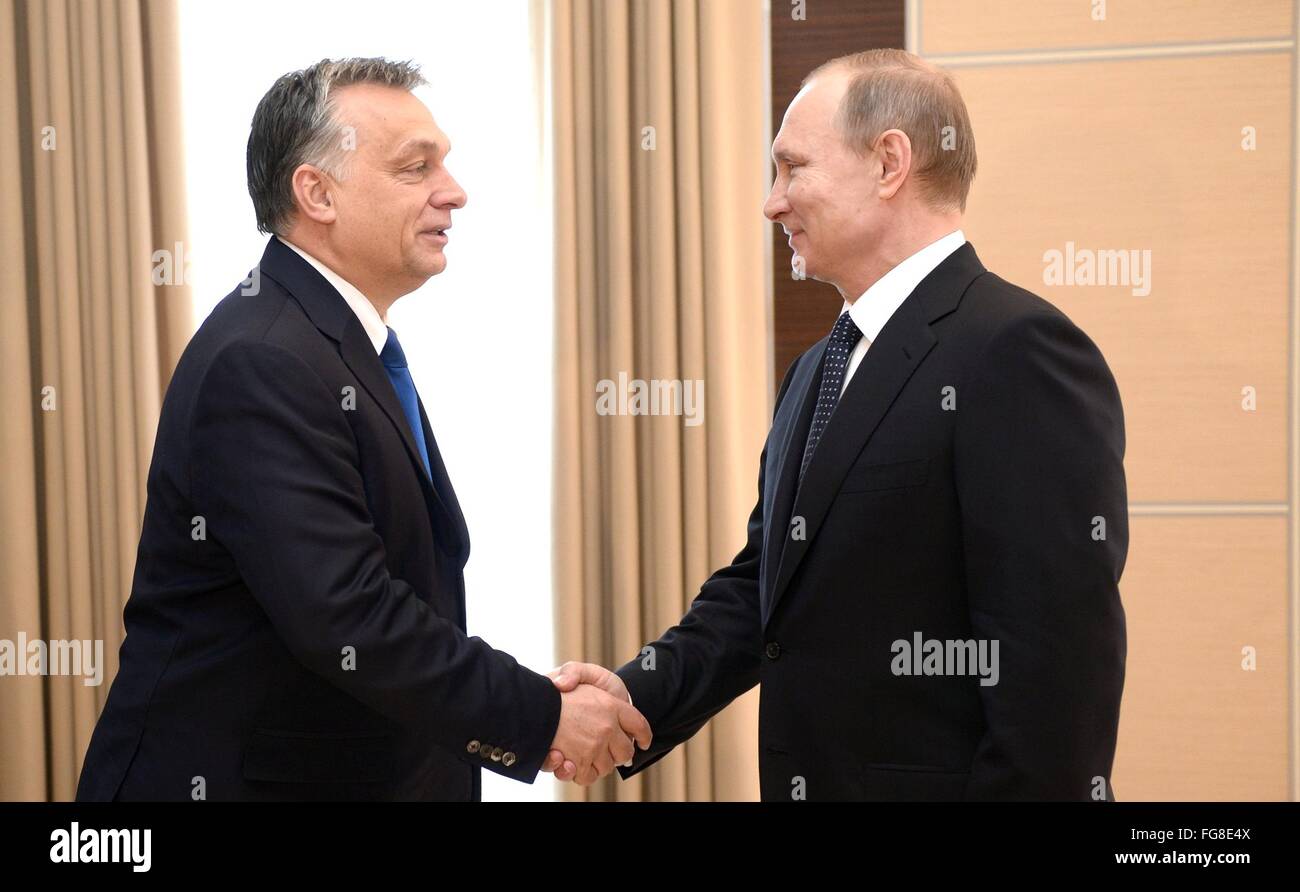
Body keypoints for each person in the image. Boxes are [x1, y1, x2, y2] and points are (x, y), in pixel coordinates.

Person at [551, 48, 1128, 801]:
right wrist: (634, 698)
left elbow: (1056, 666)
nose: (773, 202)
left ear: (889, 163)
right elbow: (764, 588)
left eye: (793, 169)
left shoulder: (1016, 349)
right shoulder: (819, 367)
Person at [76, 57, 647, 801]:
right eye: (417, 167)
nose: (455, 190)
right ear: (316, 192)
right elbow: (349, 615)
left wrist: (527, 706)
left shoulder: (329, 341)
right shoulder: (265, 358)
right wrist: (541, 717)